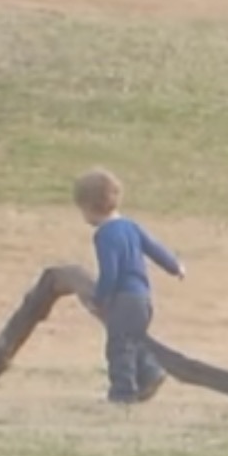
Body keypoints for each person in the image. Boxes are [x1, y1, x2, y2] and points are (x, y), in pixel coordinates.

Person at [75, 168, 183, 405]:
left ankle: (123, 393)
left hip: (124, 298)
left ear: (89, 207)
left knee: (119, 347)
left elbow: (110, 271)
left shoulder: (104, 235)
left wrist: (100, 297)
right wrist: (175, 267)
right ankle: (151, 373)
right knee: (133, 340)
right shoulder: (130, 226)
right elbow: (155, 248)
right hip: (143, 297)